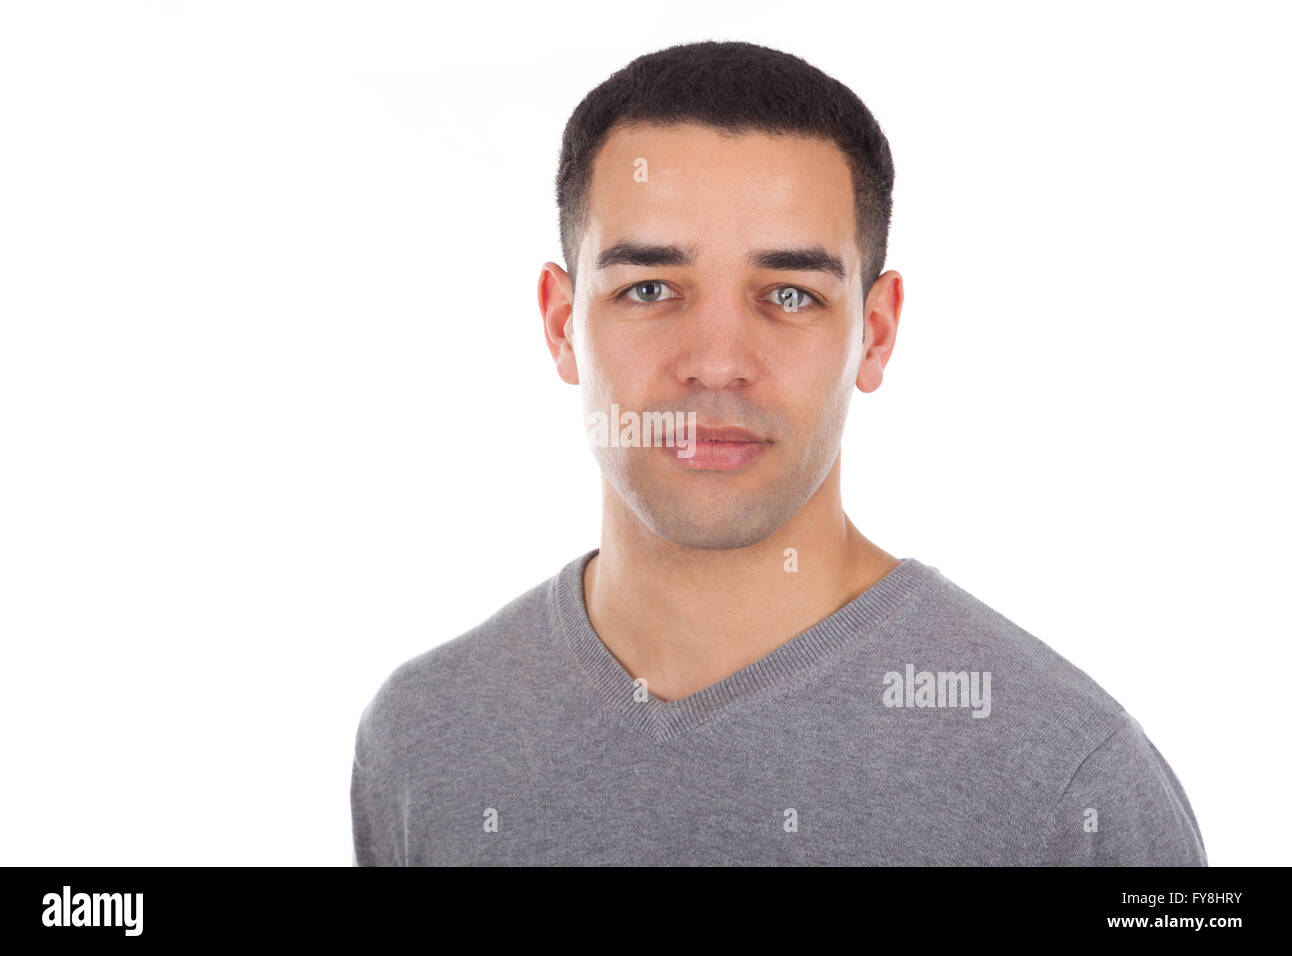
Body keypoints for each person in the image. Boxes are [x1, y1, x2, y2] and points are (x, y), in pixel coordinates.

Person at [350, 39, 1207, 866]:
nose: (718, 363)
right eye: (649, 289)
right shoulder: (424, 739)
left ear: (875, 335)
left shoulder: (1072, 781)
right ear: (559, 323)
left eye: (790, 294)